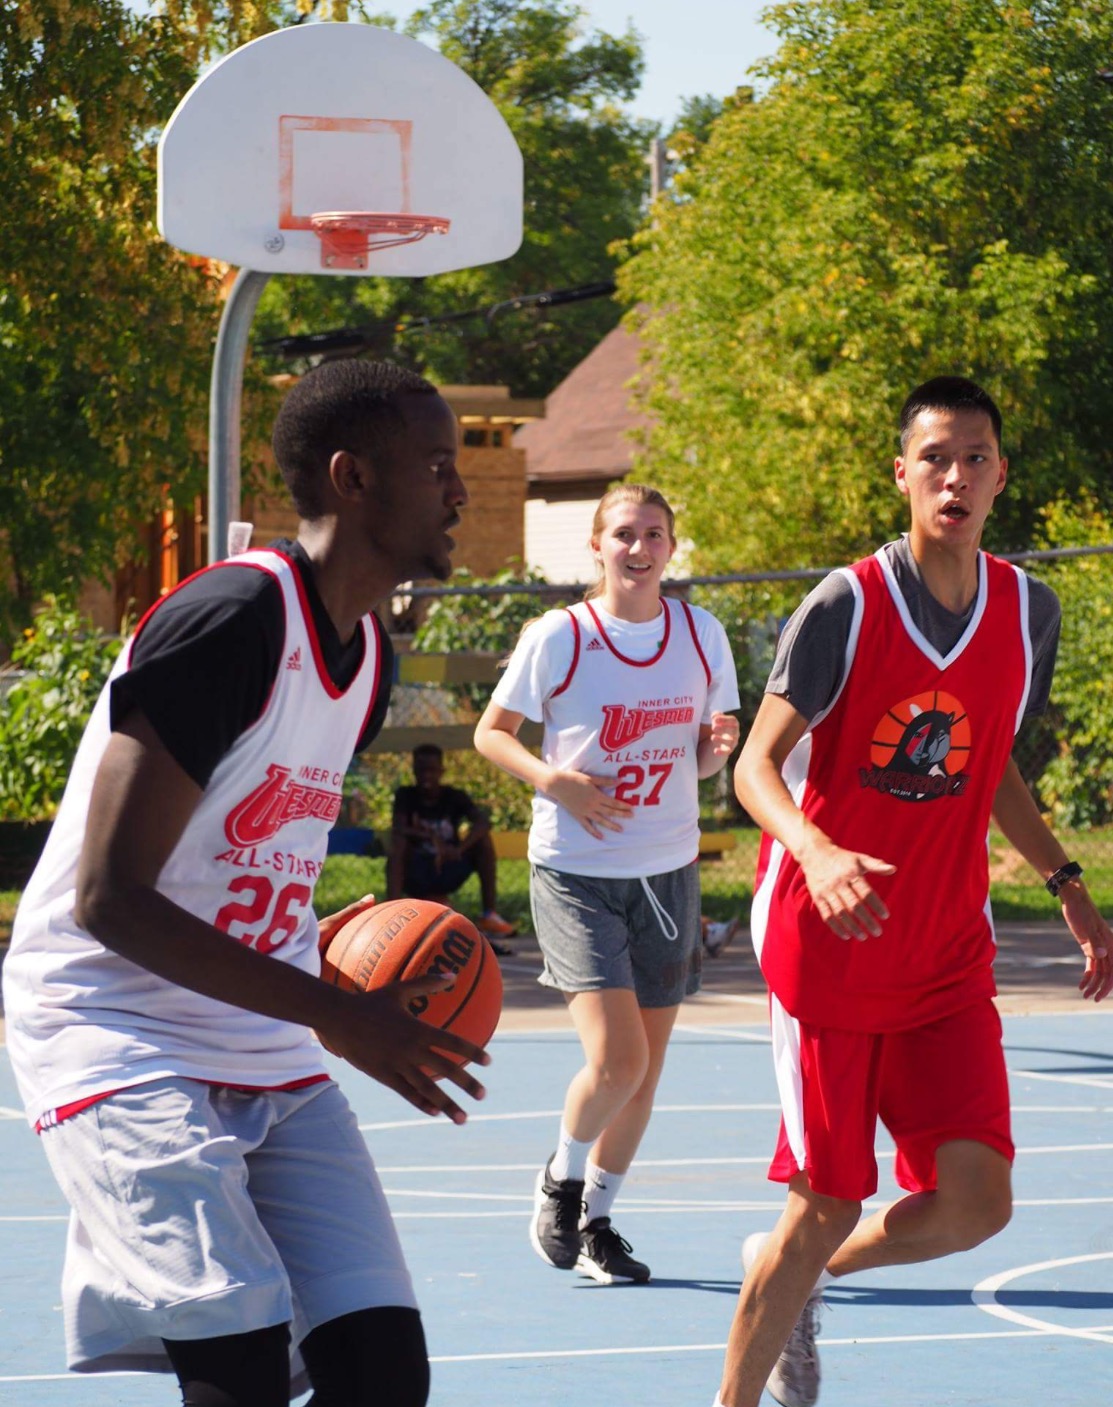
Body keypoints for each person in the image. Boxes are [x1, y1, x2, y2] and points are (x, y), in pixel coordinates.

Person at [2, 359, 493, 1407]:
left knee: (381, 1374)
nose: (459, 491)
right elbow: (111, 897)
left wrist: (322, 939)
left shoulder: (366, 661)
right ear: (354, 478)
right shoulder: (234, 621)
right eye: (438, 465)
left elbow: (237, 852)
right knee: (238, 1367)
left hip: (256, 1025)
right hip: (115, 1020)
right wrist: (339, 1014)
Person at [715, 376, 1113, 1407]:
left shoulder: (1029, 611)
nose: (956, 476)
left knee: (978, 1204)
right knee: (828, 1200)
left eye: (975, 458)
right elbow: (754, 765)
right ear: (902, 474)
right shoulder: (848, 604)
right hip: (828, 942)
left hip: (941, 949)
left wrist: (1067, 883)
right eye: (935, 457)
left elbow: (991, 769)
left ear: (999, 477)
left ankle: (802, 1277)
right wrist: (814, 850)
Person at [474, 483, 741, 1284]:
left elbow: (697, 757)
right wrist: (556, 782)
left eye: (653, 533)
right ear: (597, 545)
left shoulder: (701, 635)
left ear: (670, 546)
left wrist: (716, 749)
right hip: (578, 873)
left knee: (645, 1074)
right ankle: (559, 1178)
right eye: (623, 533)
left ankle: (597, 1225)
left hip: (667, 870)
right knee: (617, 1060)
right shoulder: (562, 635)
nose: (638, 546)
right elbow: (491, 734)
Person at [387, 742, 517, 951]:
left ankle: (489, 914)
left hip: (448, 866)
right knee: (398, 845)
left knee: (483, 841)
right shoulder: (406, 796)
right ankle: (390, 914)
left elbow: (483, 823)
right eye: (421, 770)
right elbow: (398, 828)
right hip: (418, 870)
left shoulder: (454, 796)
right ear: (413, 772)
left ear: (441, 771)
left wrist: (459, 848)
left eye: (431, 770)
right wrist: (431, 838)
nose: (426, 776)